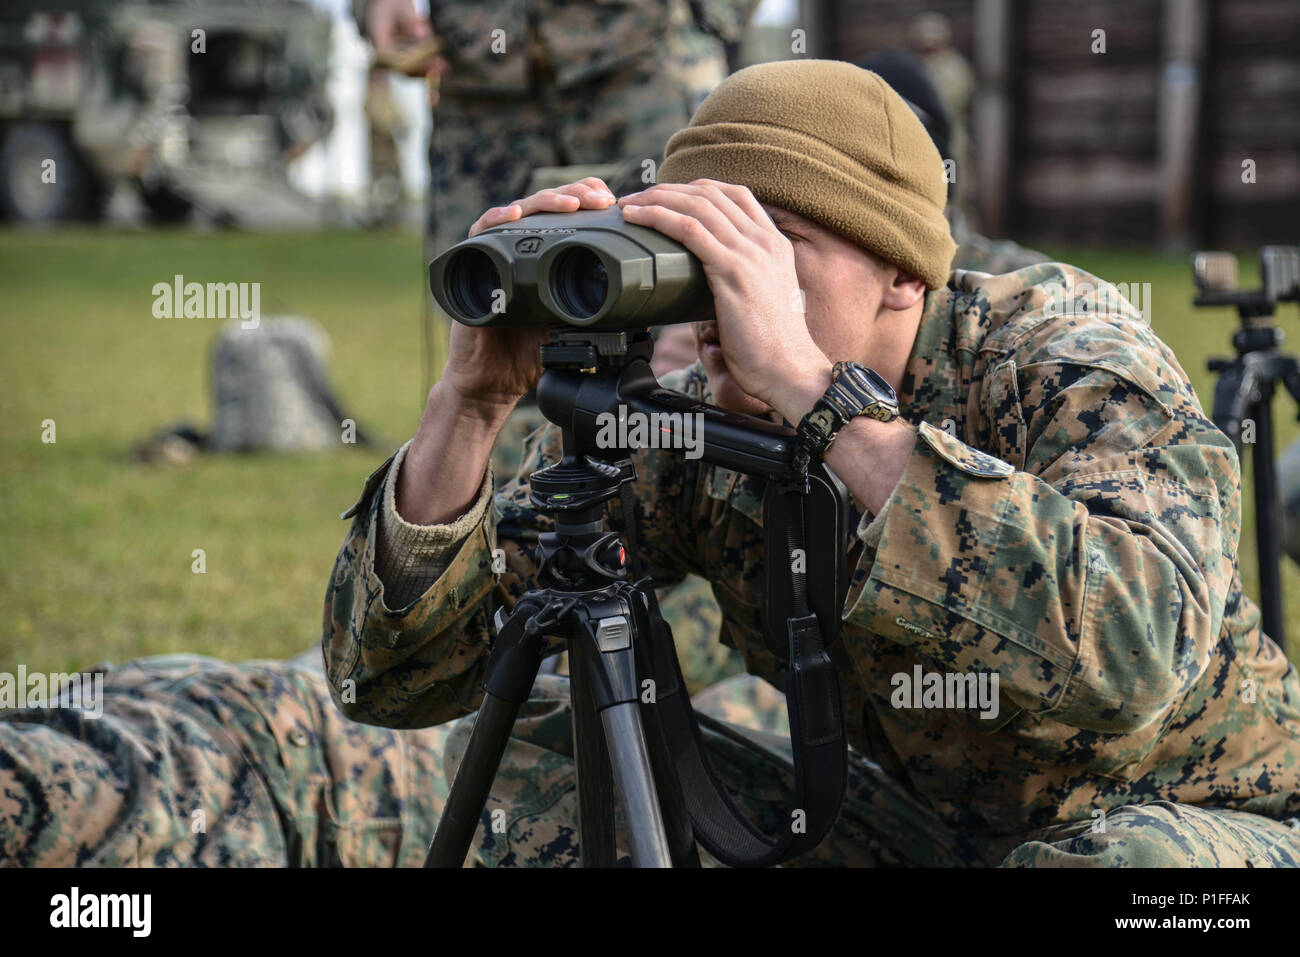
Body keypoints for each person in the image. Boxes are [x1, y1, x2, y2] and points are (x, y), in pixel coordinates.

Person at [323, 59, 1300, 867]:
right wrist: (473, 406)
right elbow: (397, 682)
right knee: (540, 766)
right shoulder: (694, 408)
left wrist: (815, 391)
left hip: (1212, 836)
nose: (728, 301)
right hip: (931, 836)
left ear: (903, 270)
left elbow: (1134, 653)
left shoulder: (1059, 360)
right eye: (704, 254)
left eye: (774, 249)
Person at [352, 0, 755, 258]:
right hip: (479, 85)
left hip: (640, 67)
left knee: (669, 294)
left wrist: (714, 17)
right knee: (487, 299)